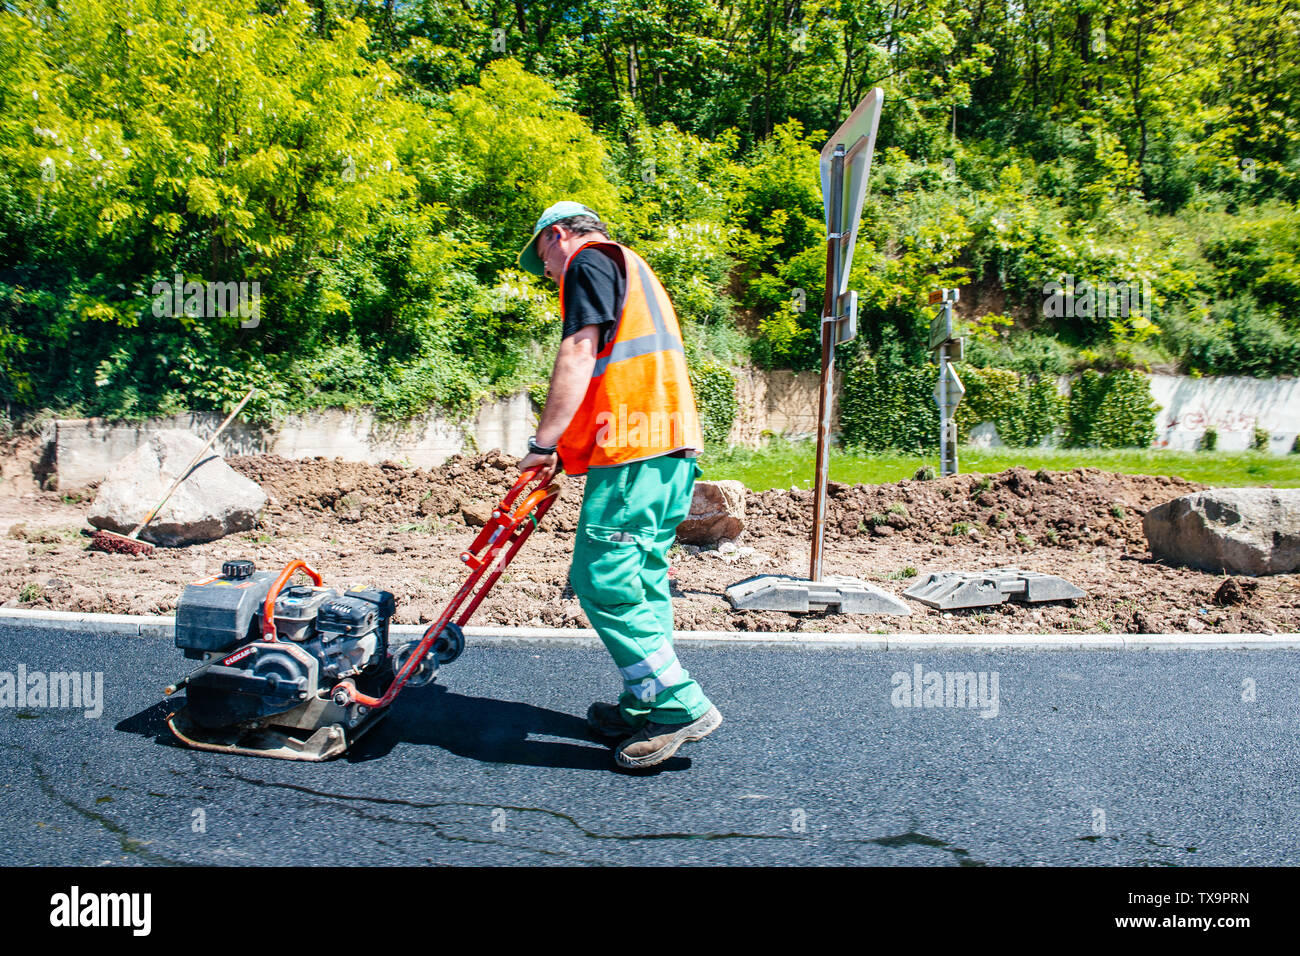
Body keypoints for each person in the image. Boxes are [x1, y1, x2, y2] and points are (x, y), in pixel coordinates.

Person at [515, 200, 722, 770]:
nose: (551, 274)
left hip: (633, 450)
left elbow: (579, 352)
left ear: (558, 236)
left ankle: (679, 702)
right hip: (667, 449)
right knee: (642, 578)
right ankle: (647, 699)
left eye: (545, 260)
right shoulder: (633, 268)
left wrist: (543, 443)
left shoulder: (589, 259)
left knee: (600, 578)